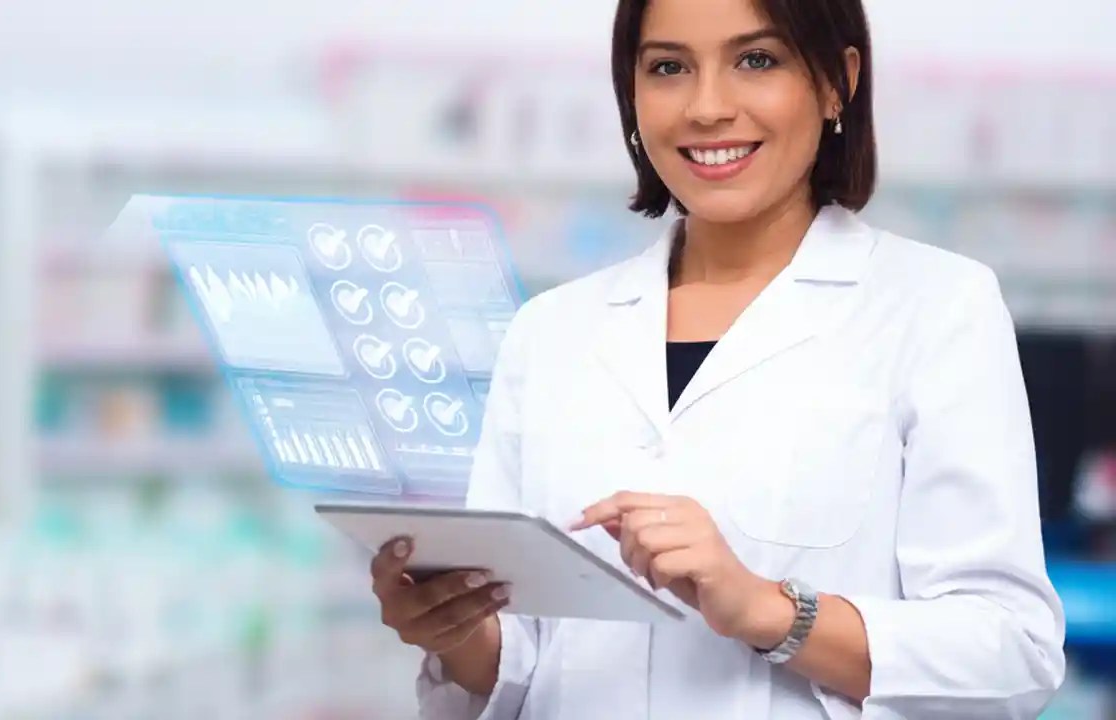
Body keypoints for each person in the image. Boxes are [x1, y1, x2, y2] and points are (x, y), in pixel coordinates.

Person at [368, 0, 1067, 716]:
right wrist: (458, 632)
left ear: (837, 82)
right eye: (669, 68)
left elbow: (1011, 649)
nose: (707, 107)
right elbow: (522, 660)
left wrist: (766, 611)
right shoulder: (551, 330)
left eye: (756, 60)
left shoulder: (937, 308)